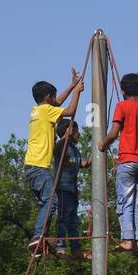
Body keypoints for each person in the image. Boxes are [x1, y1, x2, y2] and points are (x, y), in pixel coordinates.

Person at [98, 72, 138, 251]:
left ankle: (127, 239)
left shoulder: (122, 107)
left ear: (123, 90)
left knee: (125, 200)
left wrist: (101, 144)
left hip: (127, 160)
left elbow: (114, 132)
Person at [24, 70, 84, 253]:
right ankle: (38, 236)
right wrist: (77, 92)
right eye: (54, 96)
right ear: (48, 97)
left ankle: (41, 238)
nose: (56, 99)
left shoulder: (38, 110)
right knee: (51, 201)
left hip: (31, 167)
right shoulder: (46, 110)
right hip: (39, 167)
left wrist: (72, 85)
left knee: (47, 202)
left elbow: (57, 104)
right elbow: (70, 111)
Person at [52, 118, 91, 257]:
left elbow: (84, 164)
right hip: (62, 187)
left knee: (74, 220)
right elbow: (56, 150)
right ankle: (60, 247)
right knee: (63, 217)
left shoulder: (74, 150)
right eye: (77, 131)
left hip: (73, 190)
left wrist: (96, 151)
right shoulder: (61, 146)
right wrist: (65, 135)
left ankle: (76, 249)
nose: (79, 135)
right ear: (71, 131)